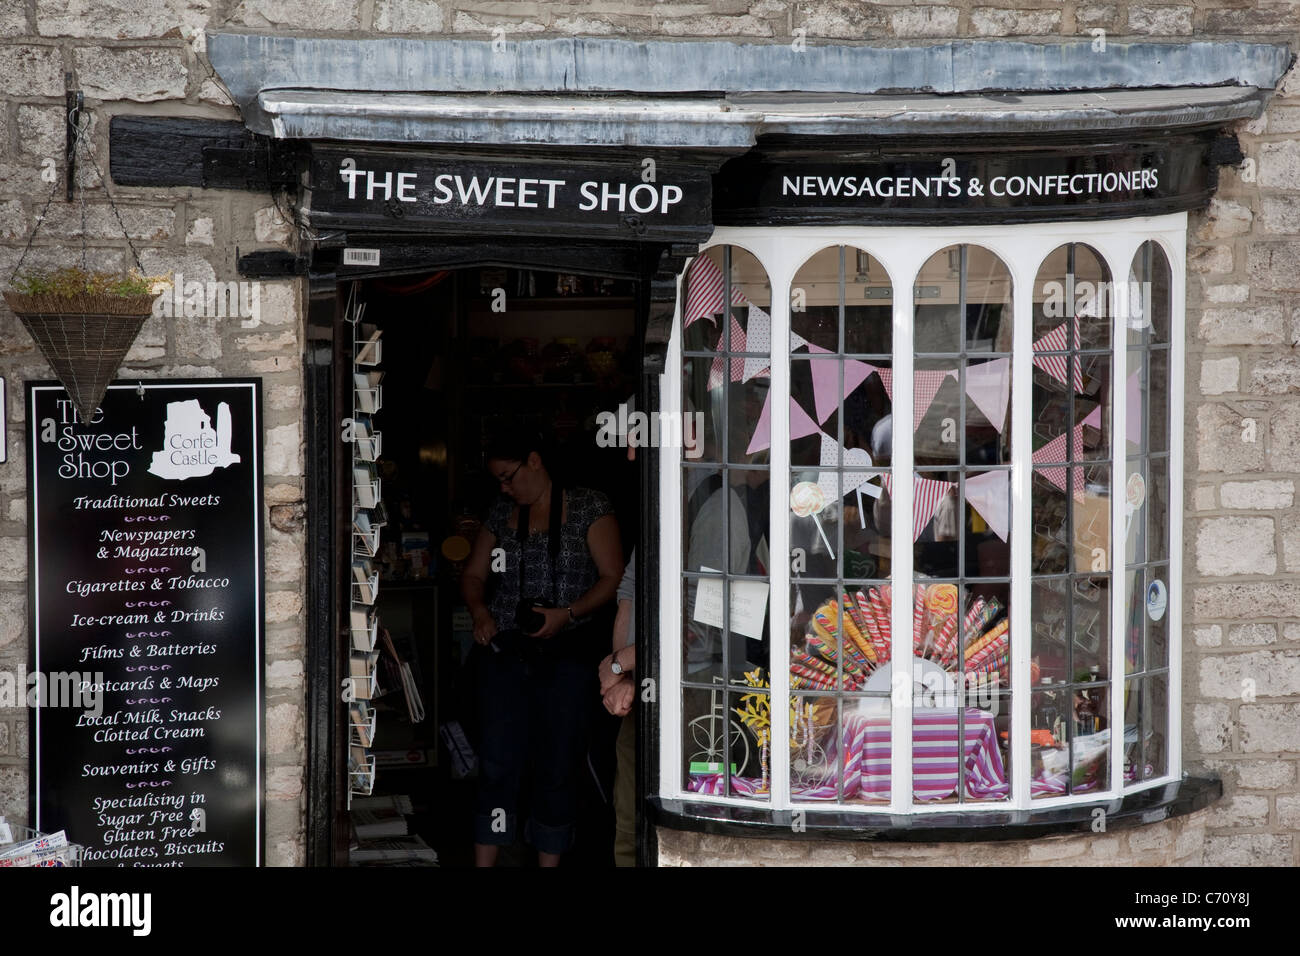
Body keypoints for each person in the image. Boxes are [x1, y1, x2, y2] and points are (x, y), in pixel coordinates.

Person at [460, 427, 623, 867]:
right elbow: (473, 575)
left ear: (534, 461)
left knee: (557, 762)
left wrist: (566, 614)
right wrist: (481, 612)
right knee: (496, 761)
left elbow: (613, 578)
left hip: (569, 653)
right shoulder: (500, 512)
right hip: (505, 653)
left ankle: (548, 864)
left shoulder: (589, 505)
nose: (504, 488)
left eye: (508, 477)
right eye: (498, 480)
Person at [599, 550, 637, 867]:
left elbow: (699, 628)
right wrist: (621, 674)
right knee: (627, 818)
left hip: (693, 685)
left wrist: (620, 664)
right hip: (639, 684)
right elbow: (628, 589)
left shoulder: (711, 521)